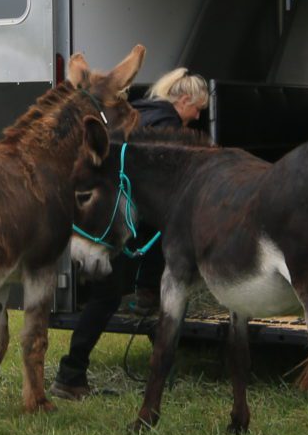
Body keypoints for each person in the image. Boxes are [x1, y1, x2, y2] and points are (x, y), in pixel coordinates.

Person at [53, 67, 209, 399]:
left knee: (107, 298)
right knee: (110, 298)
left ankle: (77, 372)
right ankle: (70, 374)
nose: (197, 117)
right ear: (183, 100)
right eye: (197, 108)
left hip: (114, 221)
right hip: (121, 226)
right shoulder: (165, 127)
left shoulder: (139, 114)